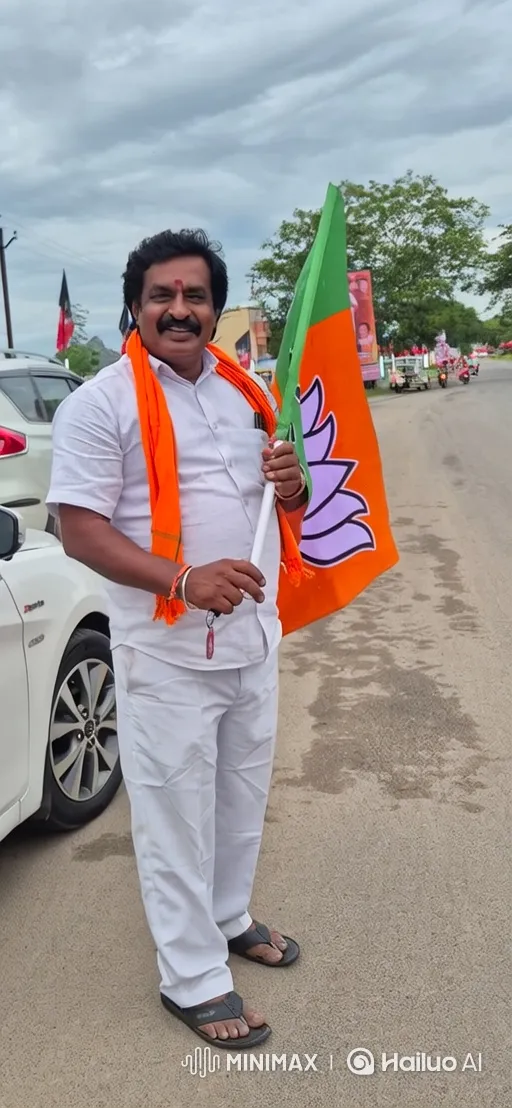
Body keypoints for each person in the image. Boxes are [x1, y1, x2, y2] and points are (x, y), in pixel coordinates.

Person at [46, 229, 308, 1050]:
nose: (179, 309)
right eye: (162, 295)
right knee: (173, 817)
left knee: (239, 799)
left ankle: (228, 916)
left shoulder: (246, 394)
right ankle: (191, 978)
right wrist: (184, 580)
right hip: (165, 653)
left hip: (252, 641)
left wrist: (292, 486)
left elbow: (276, 502)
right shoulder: (102, 402)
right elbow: (77, 529)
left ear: (217, 311)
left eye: (196, 296)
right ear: (136, 305)